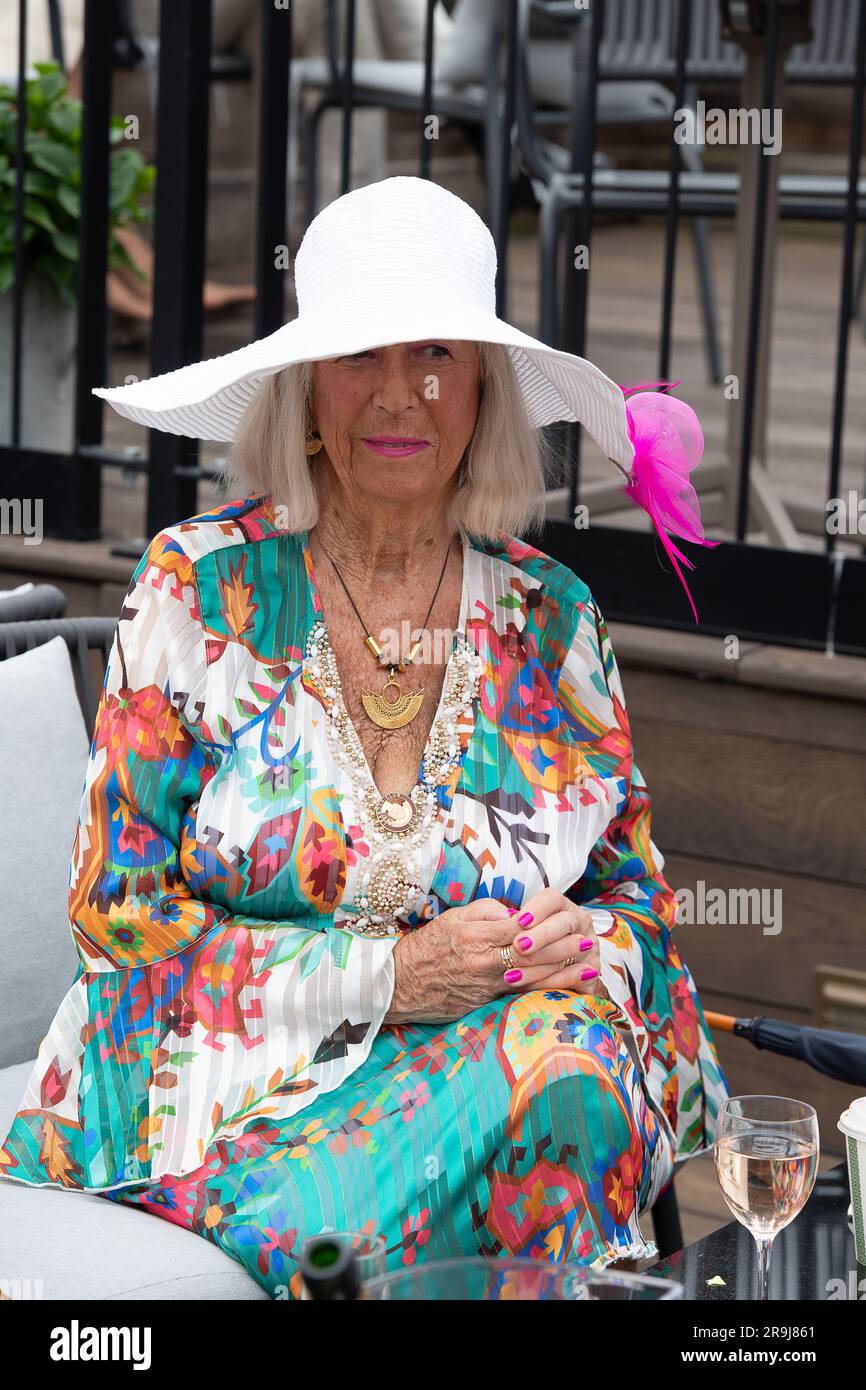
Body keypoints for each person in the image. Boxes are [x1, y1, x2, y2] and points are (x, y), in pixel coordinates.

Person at [0, 176, 729, 1298]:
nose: (401, 395)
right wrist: (388, 974)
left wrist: (571, 939)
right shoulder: (198, 589)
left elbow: (637, 908)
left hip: (484, 1063)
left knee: (568, 1052)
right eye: (361, 359)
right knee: (552, 1075)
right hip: (217, 1081)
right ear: (303, 394)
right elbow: (120, 922)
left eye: (435, 353)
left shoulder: (551, 615)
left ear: (480, 389)